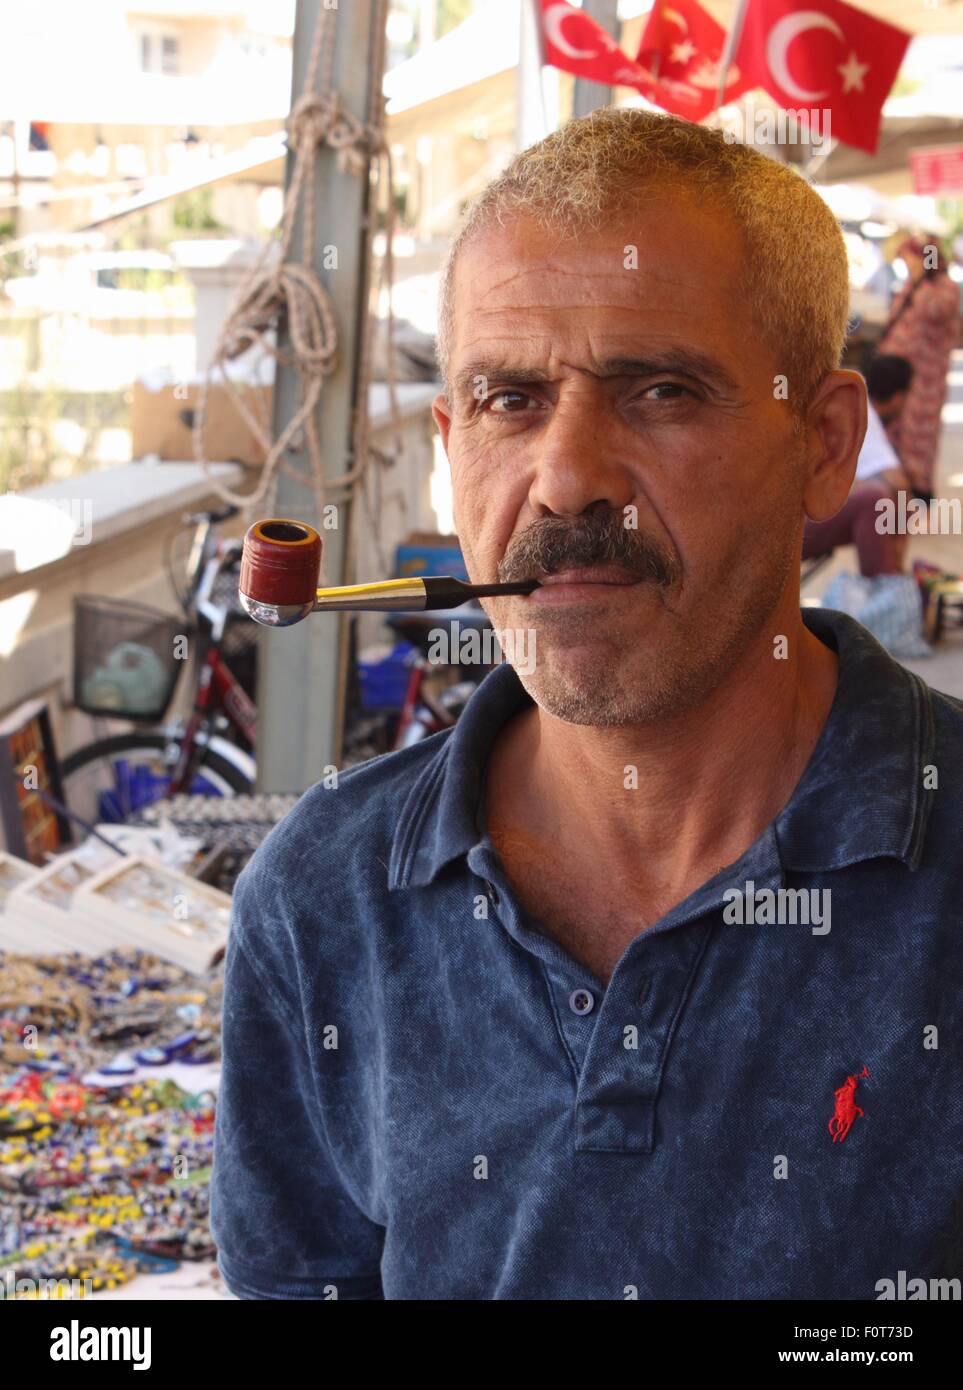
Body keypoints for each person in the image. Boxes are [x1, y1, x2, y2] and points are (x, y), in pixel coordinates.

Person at [211, 109, 963, 1301]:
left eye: (661, 390)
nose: (566, 477)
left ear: (823, 446)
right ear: (452, 449)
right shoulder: (324, 904)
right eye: (511, 399)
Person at [802, 354, 913, 576]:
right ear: (899, 398)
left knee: (878, 500)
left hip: (787, 518)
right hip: (787, 525)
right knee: (875, 500)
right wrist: (898, 554)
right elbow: (898, 484)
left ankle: (887, 584)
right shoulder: (860, 411)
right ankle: (887, 589)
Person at [876, 235, 961, 500]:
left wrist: (920, 277)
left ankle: (917, 494)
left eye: (910, 258)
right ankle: (894, 492)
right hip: (898, 380)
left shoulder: (944, 289)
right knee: (893, 434)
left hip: (923, 384)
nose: (906, 263)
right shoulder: (912, 286)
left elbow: (933, 311)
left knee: (917, 440)